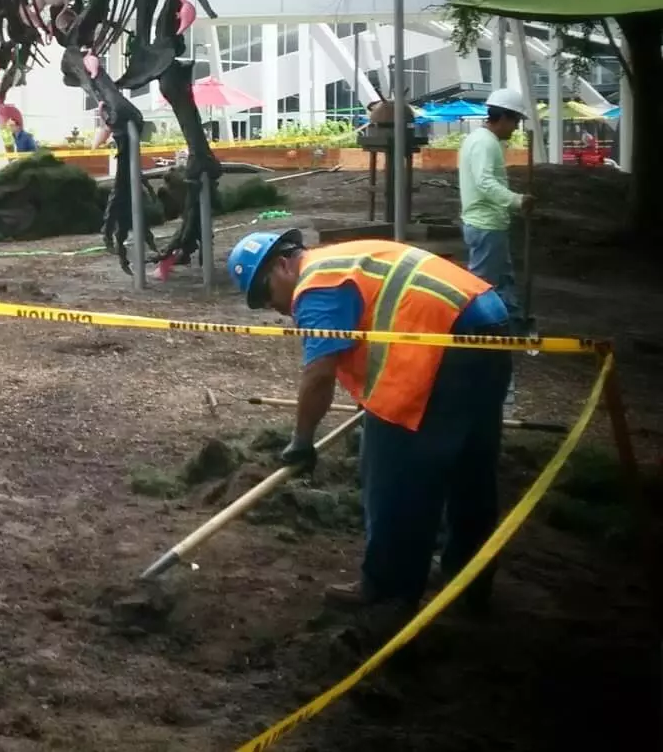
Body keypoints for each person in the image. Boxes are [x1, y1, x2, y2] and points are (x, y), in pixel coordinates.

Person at [227, 230, 512, 622]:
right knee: (471, 468)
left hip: (442, 343)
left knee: (391, 470)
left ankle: (389, 587)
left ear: (281, 265)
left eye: (264, 294)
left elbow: (318, 376)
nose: (274, 309)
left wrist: (302, 441)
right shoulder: (343, 259)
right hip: (487, 324)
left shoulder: (317, 284)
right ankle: (469, 579)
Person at [457, 88, 534, 334]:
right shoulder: (484, 143)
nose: (515, 128)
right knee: (481, 285)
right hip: (485, 224)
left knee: (503, 280)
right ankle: (470, 331)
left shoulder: (484, 141)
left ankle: (511, 325)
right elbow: (485, 181)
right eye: (516, 121)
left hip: (491, 223)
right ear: (504, 118)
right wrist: (517, 200)